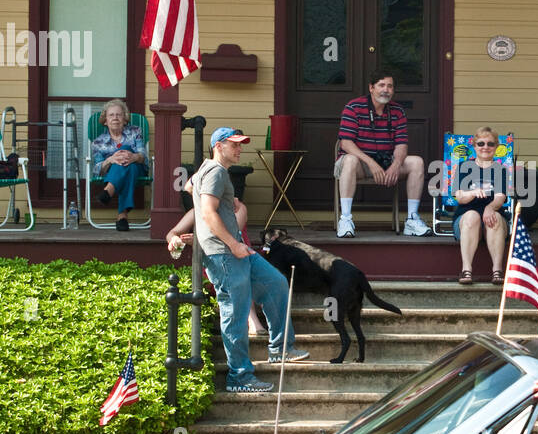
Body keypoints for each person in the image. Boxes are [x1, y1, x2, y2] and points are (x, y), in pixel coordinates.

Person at [191, 127, 307, 393]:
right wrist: (231, 243)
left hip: (235, 249)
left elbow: (192, 189)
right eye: (234, 145)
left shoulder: (206, 171)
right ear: (218, 146)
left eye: (241, 144)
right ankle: (239, 377)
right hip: (225, 253)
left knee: (276, 283)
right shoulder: (216, 172)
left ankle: (280, 349)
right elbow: (207, 212)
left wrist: (219, 210)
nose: (239, 149)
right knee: (235, 312)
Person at [335, 73, 429, 238]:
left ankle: (411, 220)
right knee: (350, 159)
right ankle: (345, 220)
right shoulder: (354, 107)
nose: (386, 90)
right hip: (360, 164)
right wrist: (370, 163)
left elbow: (401, 145)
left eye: (390, 86)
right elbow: (346, 143)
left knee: (417, 162)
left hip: (386, 162)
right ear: (371, 88)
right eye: (381, 85)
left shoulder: (397, 111)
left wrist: (396, 164)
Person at [166, 196, 269, 337]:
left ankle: (252, 319)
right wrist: (175, 239)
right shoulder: (197, 211)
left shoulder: (238, 208)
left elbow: (230, 238)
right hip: (213, 266)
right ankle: (251, 321)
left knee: (240, 268)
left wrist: (197, 241)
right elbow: (171, 233)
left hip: (237, 260)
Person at [453, 127, 511, 285]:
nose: (485, 147)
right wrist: (472, 193)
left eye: (490, 144)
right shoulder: (464, 167)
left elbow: (500, 198)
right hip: (466, 219)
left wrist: (489, 207)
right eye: (481, 143)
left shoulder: (500, 170)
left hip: (493, 218)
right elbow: (460, 197)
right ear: (474, 146)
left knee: (495, 217)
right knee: (472, 216)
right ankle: (466, 270)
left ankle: (497, 270)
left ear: (496, 147)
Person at [91, 98, 148, 231]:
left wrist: (133, 156)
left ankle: (109, 189)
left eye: (119, 115)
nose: (115, 118)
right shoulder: (98, 142)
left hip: (138, 166)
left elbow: (142, 156)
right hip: (118, 171)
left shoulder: (135, 132)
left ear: (125, 119)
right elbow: (98, 169)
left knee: (126, 150)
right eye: (111, 115)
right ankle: (122, 216)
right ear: (105, 121)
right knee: (126, 165)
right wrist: (111, 159)